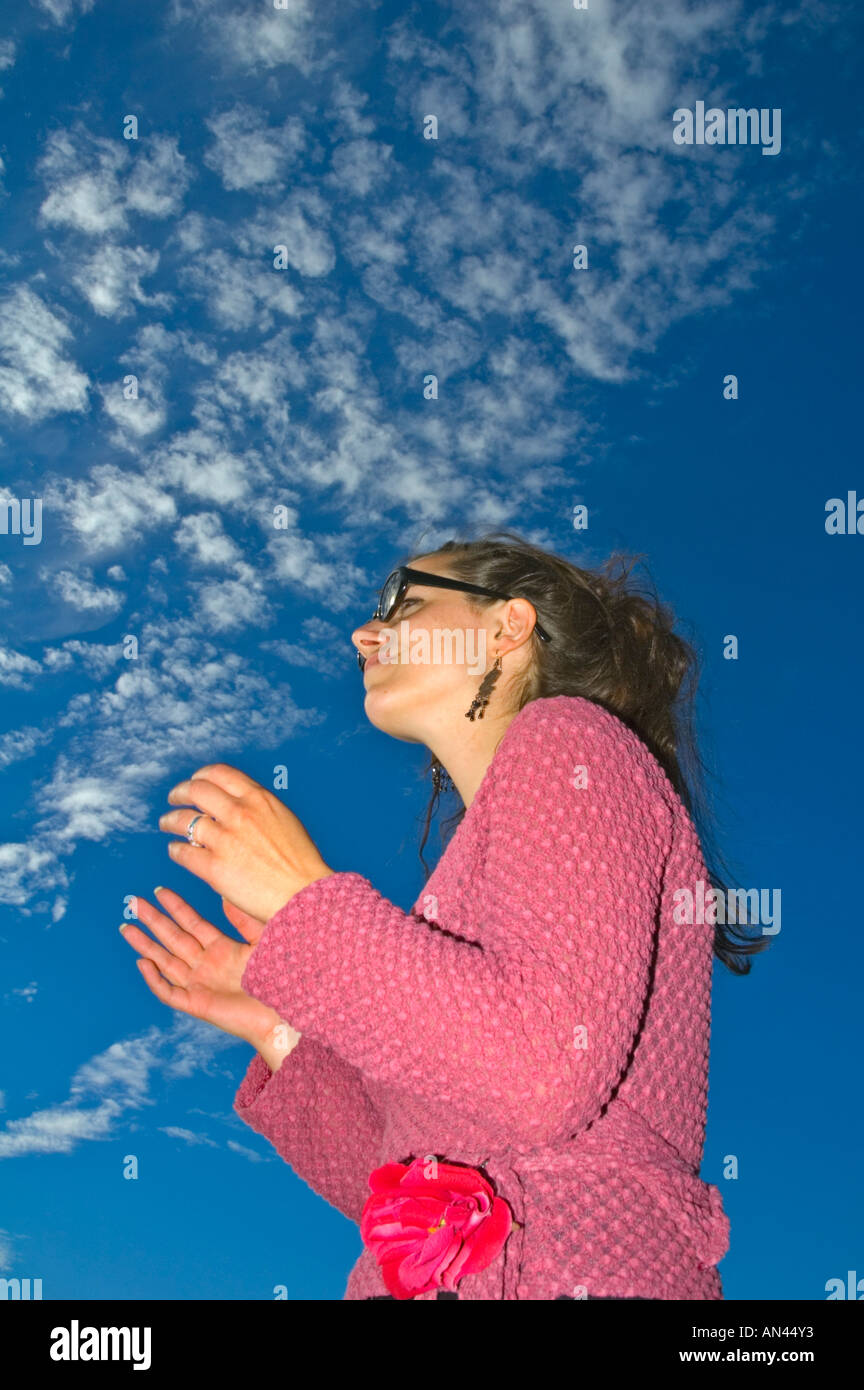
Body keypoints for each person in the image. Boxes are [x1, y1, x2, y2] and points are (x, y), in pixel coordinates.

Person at [120, 530, 768, 1300]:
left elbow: (543, 1071)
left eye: (407, 600)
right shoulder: (473, 872)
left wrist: (305, 904)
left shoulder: (571, 741)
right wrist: (278, 1028)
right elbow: (408, 1178)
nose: (364, 631)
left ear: (506, 627)